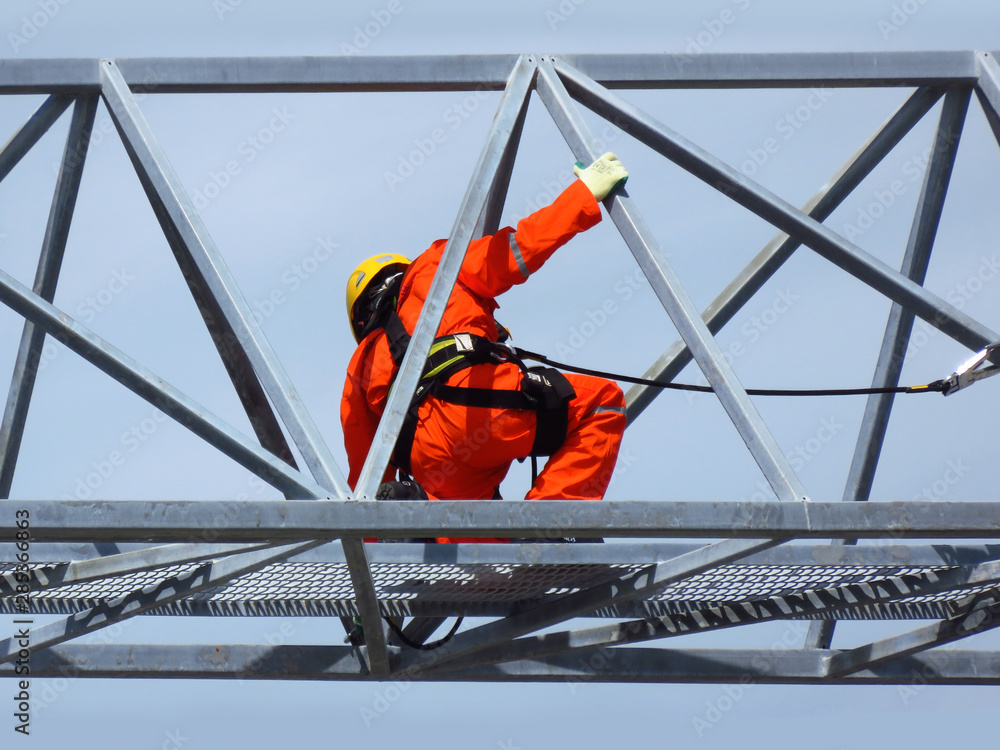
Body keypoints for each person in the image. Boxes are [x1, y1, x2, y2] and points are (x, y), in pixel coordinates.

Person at [340, 153, 629, 539]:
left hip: (431, 465)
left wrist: (373, 553)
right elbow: (514, 252)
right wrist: (583, 194)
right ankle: (552, 524)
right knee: (601, 402)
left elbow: (365, 475)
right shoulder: (434, 269)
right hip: (475, 408)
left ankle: (422, 523)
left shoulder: (360, 364)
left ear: (362, 319)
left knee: (478, 540)